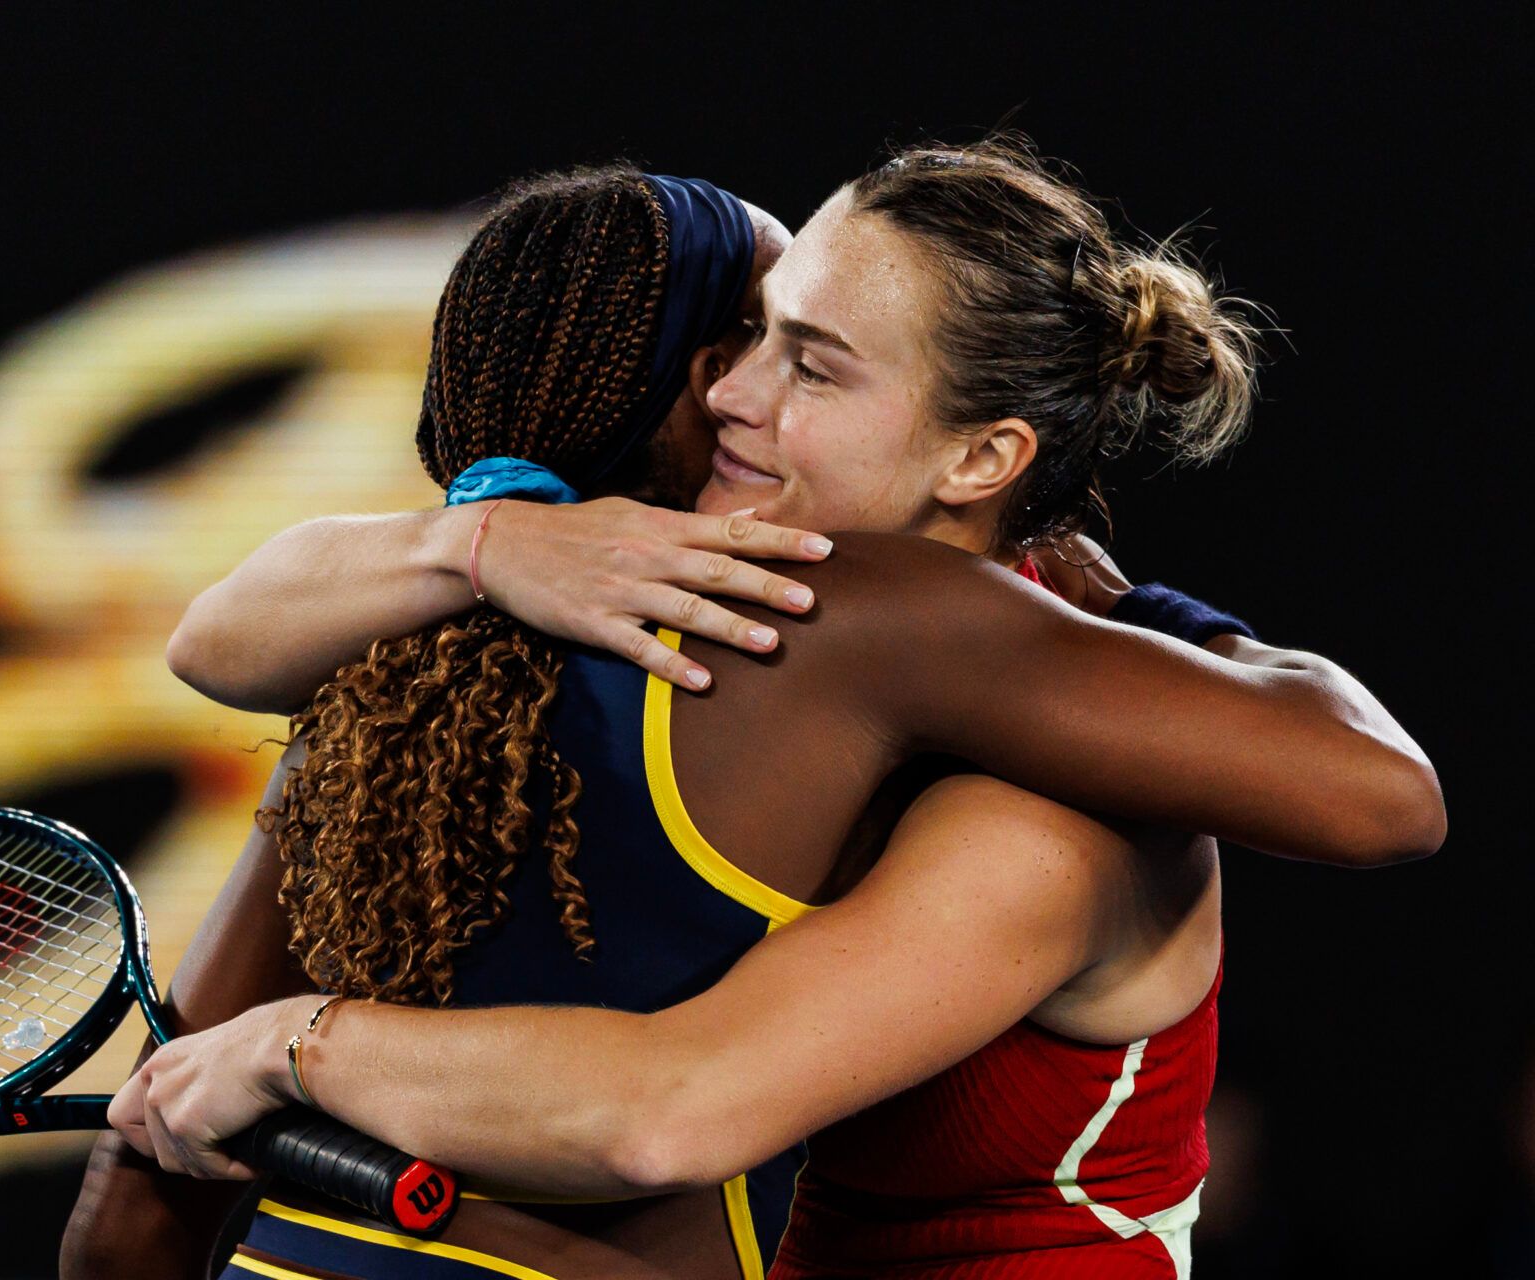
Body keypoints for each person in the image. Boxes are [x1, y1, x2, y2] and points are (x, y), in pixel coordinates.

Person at [77, 143, 1442, 1280]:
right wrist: (477, 547)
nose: (731, 391)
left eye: (813, 363)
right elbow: (220, 637)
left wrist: (292, 1051)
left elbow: (666, 1114)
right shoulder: (639, 606)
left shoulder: (1032, 779)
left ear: (981, 458)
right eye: (754, 335)